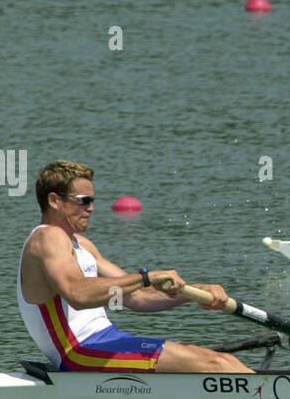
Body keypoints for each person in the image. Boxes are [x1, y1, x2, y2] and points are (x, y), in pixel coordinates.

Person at [18, 160, 251, 373]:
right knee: (216, 364)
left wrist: (197, 292)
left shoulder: (82, 245)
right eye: (84, 201)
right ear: (54, 201)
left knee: (223, 361)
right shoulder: (47, 238)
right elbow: (78, 294)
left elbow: (137, 297)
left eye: (93, 201)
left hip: (105, 340)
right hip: (77, 352)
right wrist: (146, 276)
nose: (91, 208)